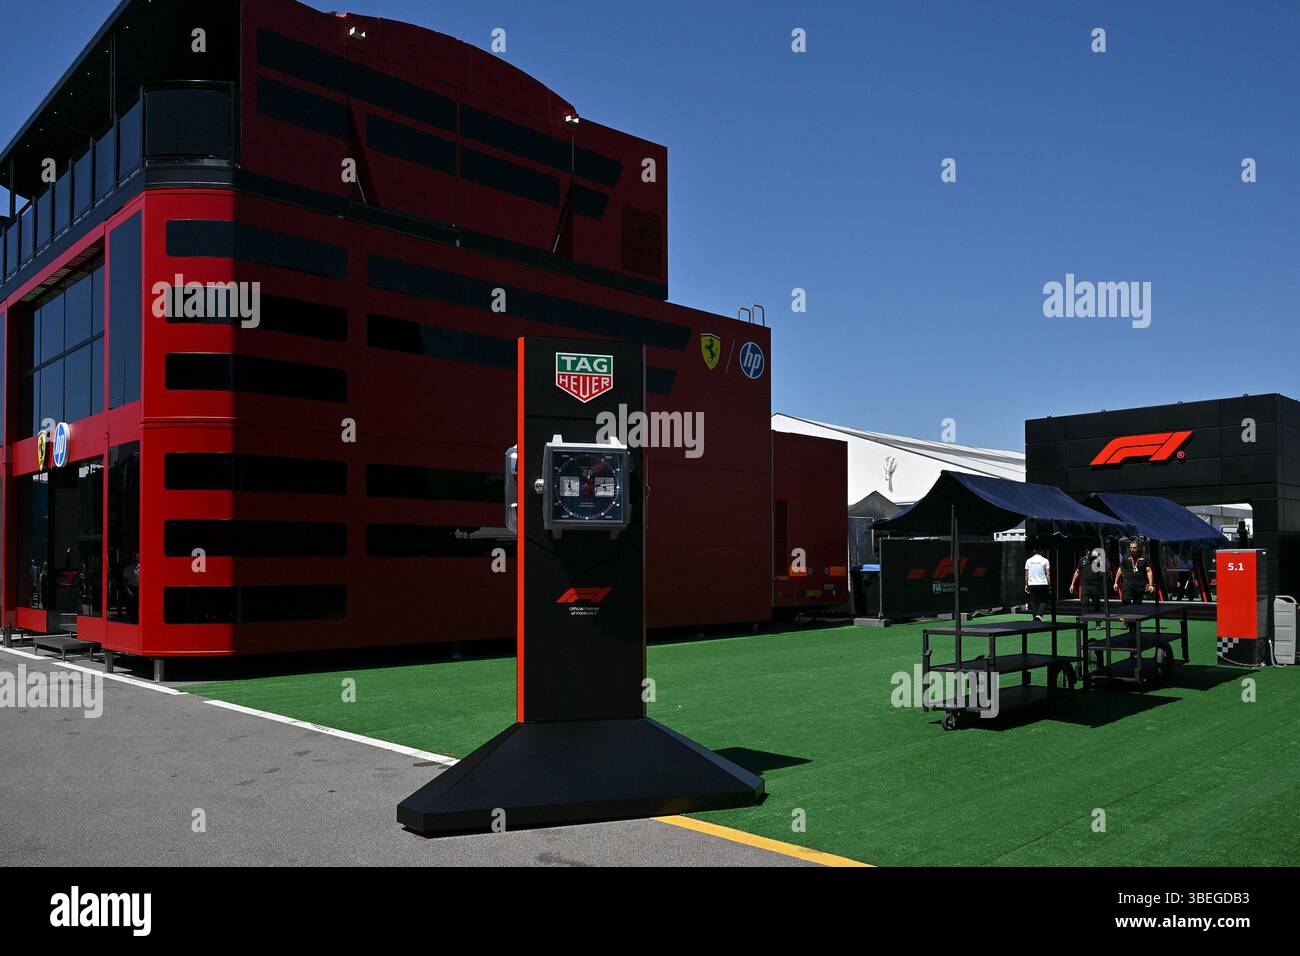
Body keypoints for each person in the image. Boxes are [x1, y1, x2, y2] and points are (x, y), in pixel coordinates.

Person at [1114, 538, 1154, 605]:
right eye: (1131, 548)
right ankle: (1126, 614)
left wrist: (1151, 584)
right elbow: (1120, 569)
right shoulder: (1126, 556)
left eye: (1134, 548)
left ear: (1139, 547)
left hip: (1140, 583)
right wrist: (1116, 582)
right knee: (1126, 601)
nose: (1132, 549)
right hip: (1128, 582)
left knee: (1137, 603)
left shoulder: (1145, 557)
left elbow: (1149, 571)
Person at [1070, 547, 1105, 624]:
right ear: (1086, 553)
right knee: (1084, 603)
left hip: (1095, 585)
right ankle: (1084, 622)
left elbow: (1104, 570)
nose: (1089, 555)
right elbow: (1077, 572)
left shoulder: (1097, 560)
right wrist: (1072, 584)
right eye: (1088, 553)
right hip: (1085, 585)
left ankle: (1098, 622)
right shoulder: (1081, 560)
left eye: (1091, 553)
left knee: (1096, 604)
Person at [1024, 547, 1051, 621]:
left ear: (1034, 550)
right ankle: (1039, 615)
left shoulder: (1028, 560)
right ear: (1042, 551)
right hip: (1043, 583)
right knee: (1044, 600)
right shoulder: (1045, 560)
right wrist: (1049, 584)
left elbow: (1026, 574)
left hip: (1032, 583)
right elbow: (1048, 574)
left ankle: (1035, 616)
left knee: (1033, 601)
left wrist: (1026, 584)